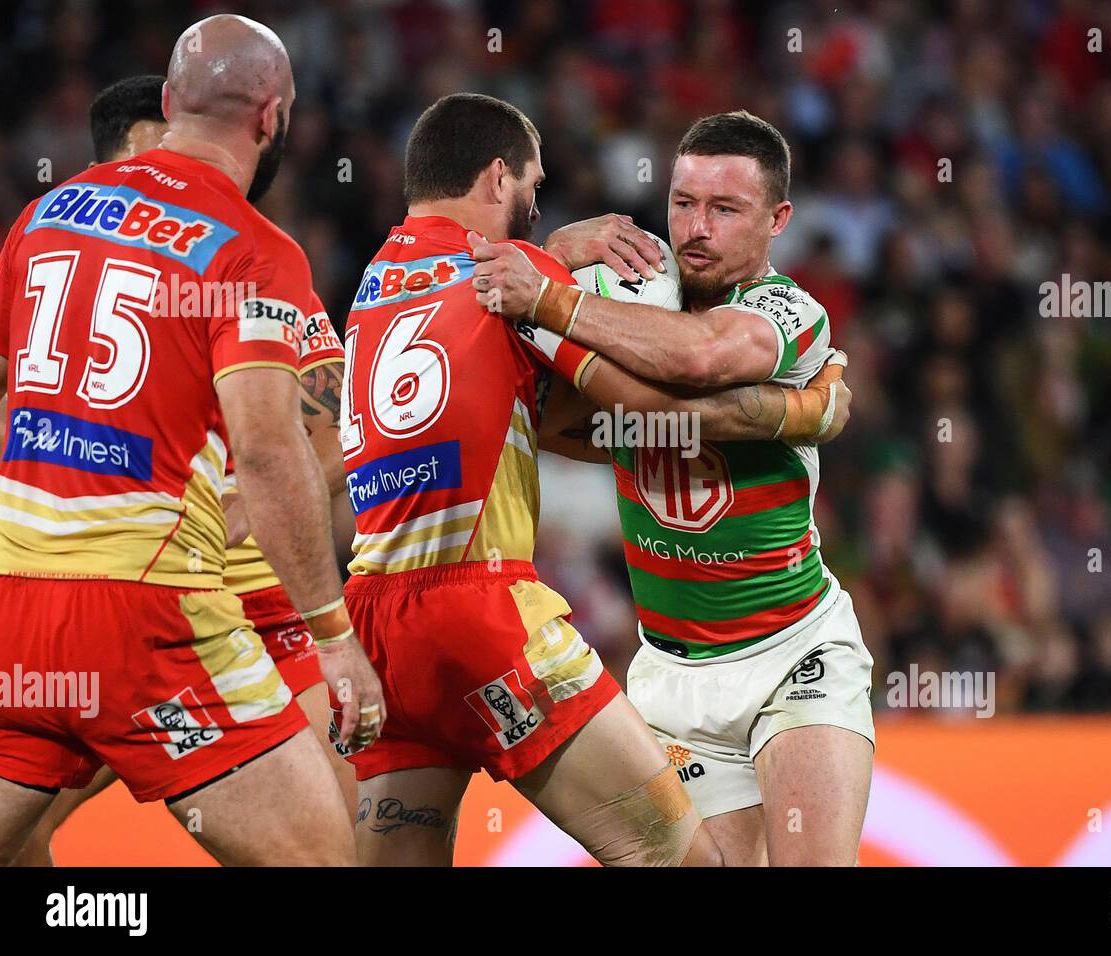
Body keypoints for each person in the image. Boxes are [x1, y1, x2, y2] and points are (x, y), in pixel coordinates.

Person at [339, 93, 848, 866]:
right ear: (498, 178)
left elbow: (559, 417)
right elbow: (658, 393)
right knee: (682, 862)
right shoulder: (519, 284)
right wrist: (803, 409)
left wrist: (553, 273)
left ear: (776, 219)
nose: (539, 215)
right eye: (682, 203)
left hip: (376, 618)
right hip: (485, 611)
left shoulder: (376, 283)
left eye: (724, 208)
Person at [0, 14, 381, 867]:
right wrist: (334, 635)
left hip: (14, 610)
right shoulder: (254, 251)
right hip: (148, 612)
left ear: (169, 101)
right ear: (272, 119)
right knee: (324, 859)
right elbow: (272, 448)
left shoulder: (42, 215)